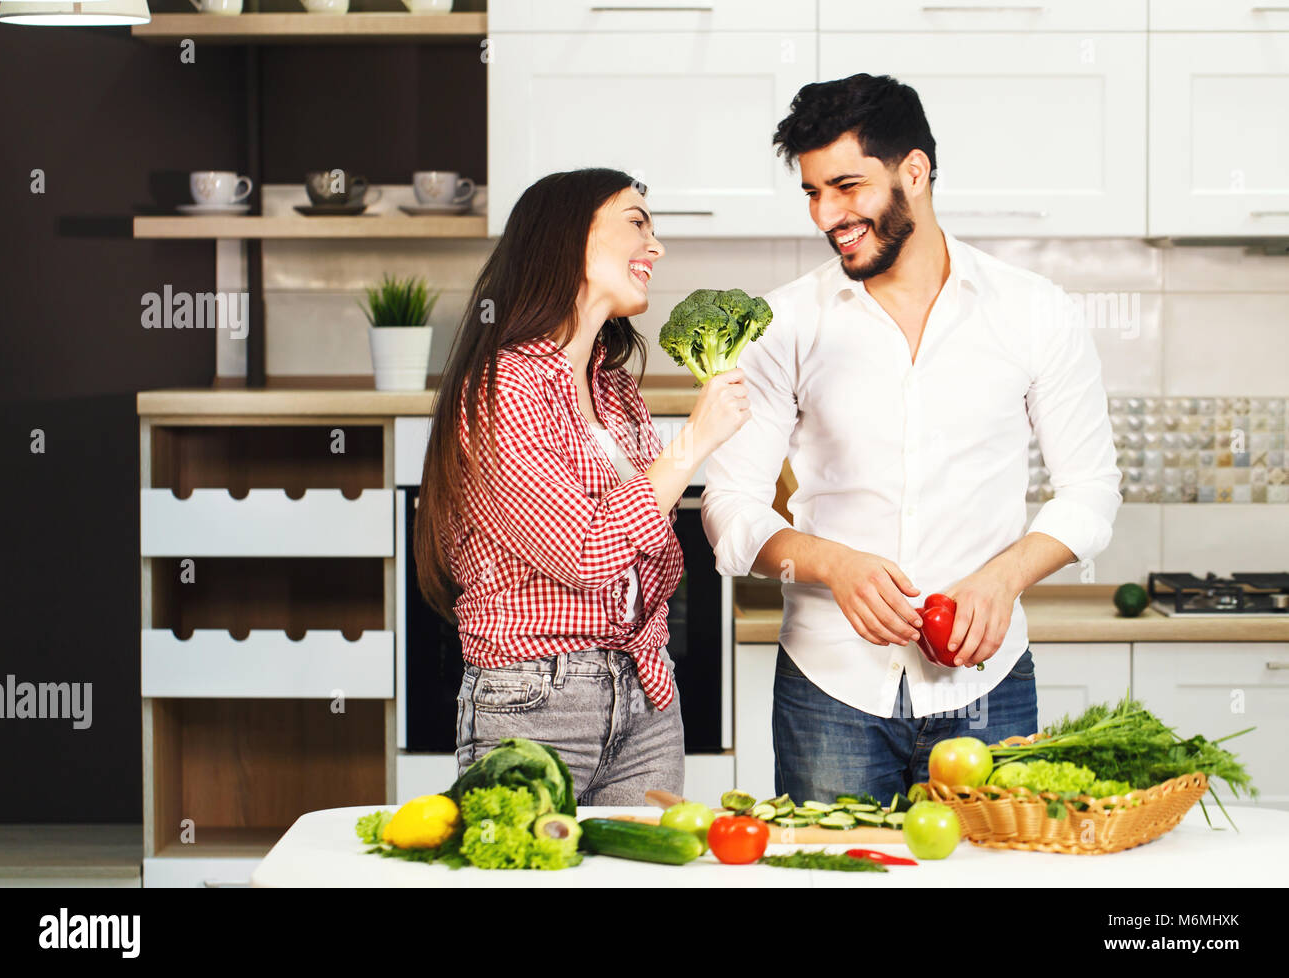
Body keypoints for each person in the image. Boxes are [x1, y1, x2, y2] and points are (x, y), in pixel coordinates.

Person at [701, 74, 1122, 803]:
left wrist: (1004, 577)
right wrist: (830, 564)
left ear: (914, 172)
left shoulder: (1033, 311)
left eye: (847, 186)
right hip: (830, 685)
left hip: (987, 680)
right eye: (811, 192)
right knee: (830, 876)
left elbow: (1091, 492)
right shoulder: (784, 324)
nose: (827, 214)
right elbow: (729, 510)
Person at [414, 168, 749, 804]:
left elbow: (650, 552)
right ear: (570, 236)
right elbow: (586, 551)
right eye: (637, 222)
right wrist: (695, 442)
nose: (657, 246)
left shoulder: (616, 391)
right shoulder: (501, 387)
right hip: (534, 703)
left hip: (646, 694)